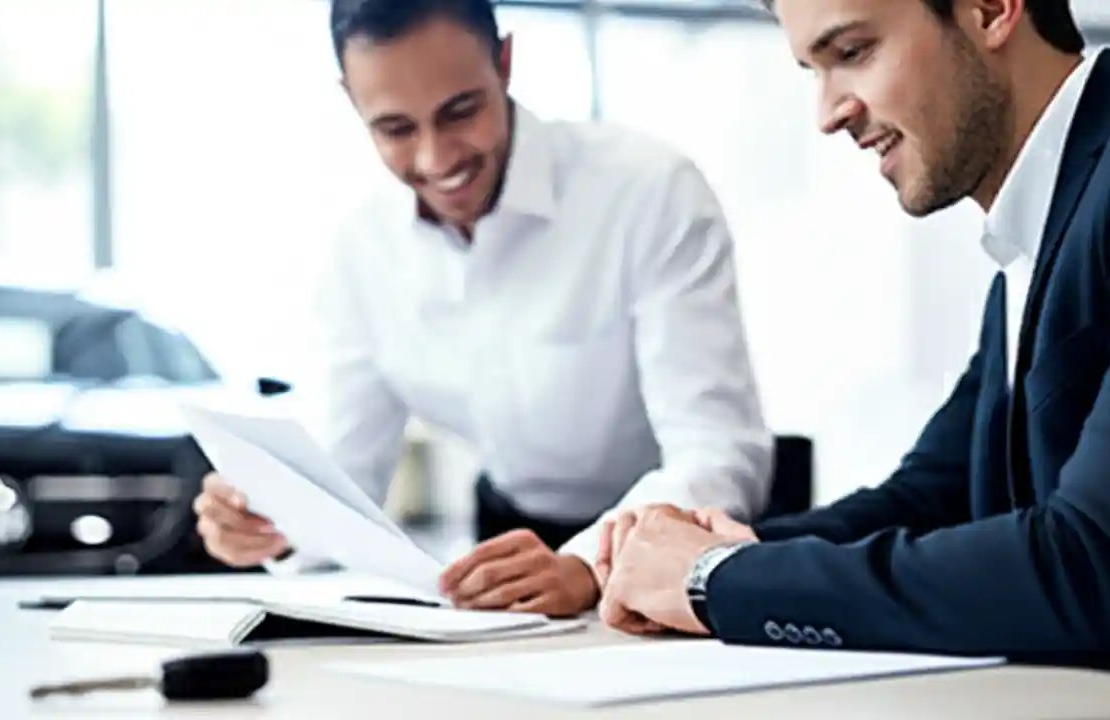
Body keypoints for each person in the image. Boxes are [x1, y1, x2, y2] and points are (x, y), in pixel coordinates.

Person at [596, 0, 1110, 673]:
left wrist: (717, 580)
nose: (828, 113)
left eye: (853, 54)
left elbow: (1102, 561)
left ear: (990, 11)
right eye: (814, 69)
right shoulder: (1040, 233)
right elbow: (933, 499)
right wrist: (687, 558)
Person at [192, 0, 773, 618]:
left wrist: (586, 564)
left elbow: (718, 453)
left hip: (668, 550)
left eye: (460, 111)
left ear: (505, 62)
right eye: (395, 129)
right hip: (507, 550)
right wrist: (272, 519)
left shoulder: (649, 192)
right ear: (351, 101)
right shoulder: (363, 251)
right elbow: (346, 477)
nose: (436, 159)